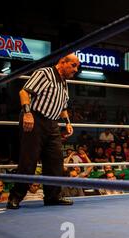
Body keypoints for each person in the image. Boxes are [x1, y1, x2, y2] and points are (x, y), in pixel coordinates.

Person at [7, 53, 80, 209]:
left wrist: (67, 122)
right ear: (62, 62)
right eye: (73, 65)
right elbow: (24, 92)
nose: (76, 69)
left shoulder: (64, 83)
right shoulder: (44, 73)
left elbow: (63, 107)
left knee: (55, 161)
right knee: (28, 161)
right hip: (35, 119)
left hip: (52, 123)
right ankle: (15, 197)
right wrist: (27, 113)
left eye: (77, 66)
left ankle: (53, 196)